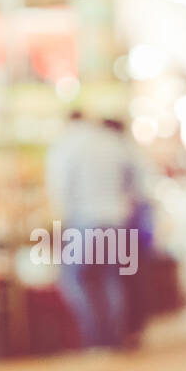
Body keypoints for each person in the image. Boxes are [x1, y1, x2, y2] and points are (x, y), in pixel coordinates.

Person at [46, 110, 143, 350]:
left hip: (84, 221)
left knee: (74, 280)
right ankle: (116, 337)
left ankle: (95, 337)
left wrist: (61, 223)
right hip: (117, 220)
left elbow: (60, 189)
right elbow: (136, 182)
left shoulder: (66, 145)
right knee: (112, 278)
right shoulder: (112, 142)